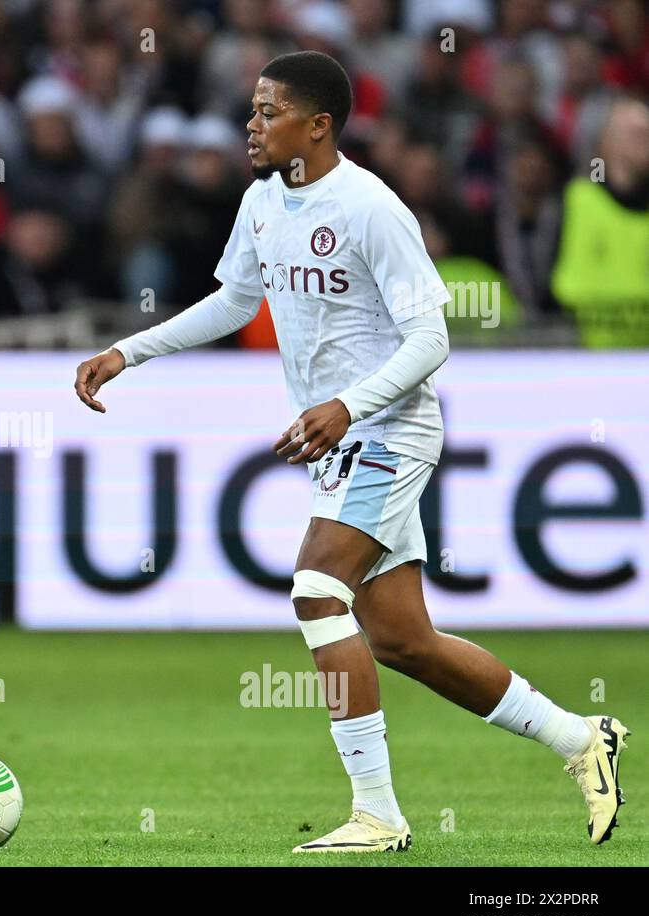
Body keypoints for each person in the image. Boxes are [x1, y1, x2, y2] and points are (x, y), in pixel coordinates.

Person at [73, 51, 629, 853]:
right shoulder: (263, 201)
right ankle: (581, 738)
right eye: (253, 110)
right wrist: (130, 351)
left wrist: (345, 404)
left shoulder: (371, 207)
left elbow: (431, 336)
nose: (252, 125)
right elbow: (235, 298)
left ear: (319, 125)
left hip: (390, 430)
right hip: (343, 438)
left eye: (269, 111)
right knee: (405, 640)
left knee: (313, 589)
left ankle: (378, 814)